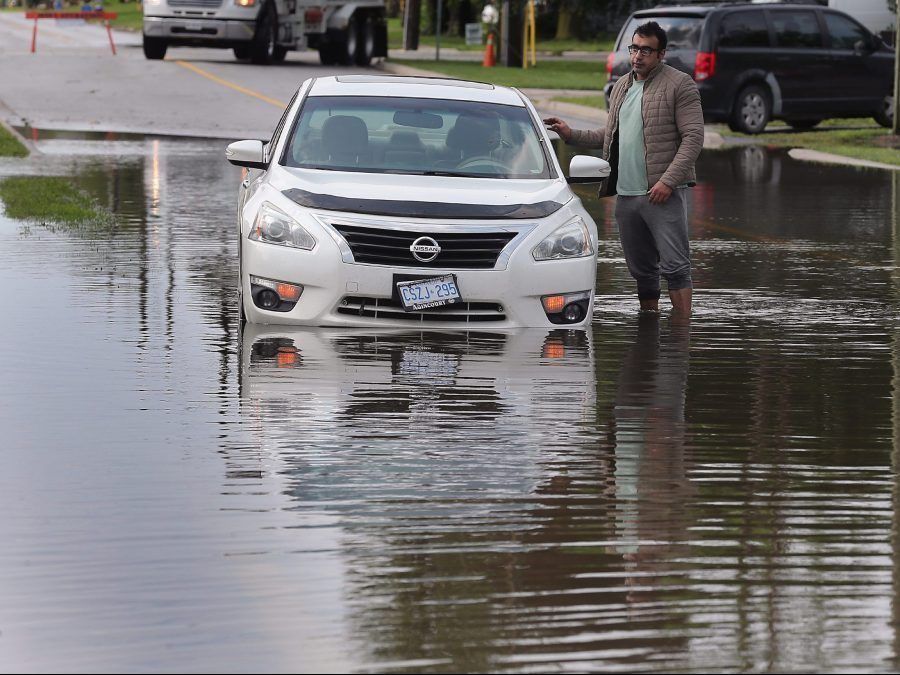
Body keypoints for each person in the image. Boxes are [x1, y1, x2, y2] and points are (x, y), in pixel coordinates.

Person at [543, 21, 704, 315]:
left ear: (661, 54)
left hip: (661, 194)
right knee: (642, 271)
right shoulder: (622, 85)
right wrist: (571, 134)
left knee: (676, 268)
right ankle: (649, 323)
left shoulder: (680, 84)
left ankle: (681, 334)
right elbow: (611, 134)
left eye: (646, 50)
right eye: (634, 48)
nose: (637, 56)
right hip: (626, 196)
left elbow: (693, 138)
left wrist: (668, 182)